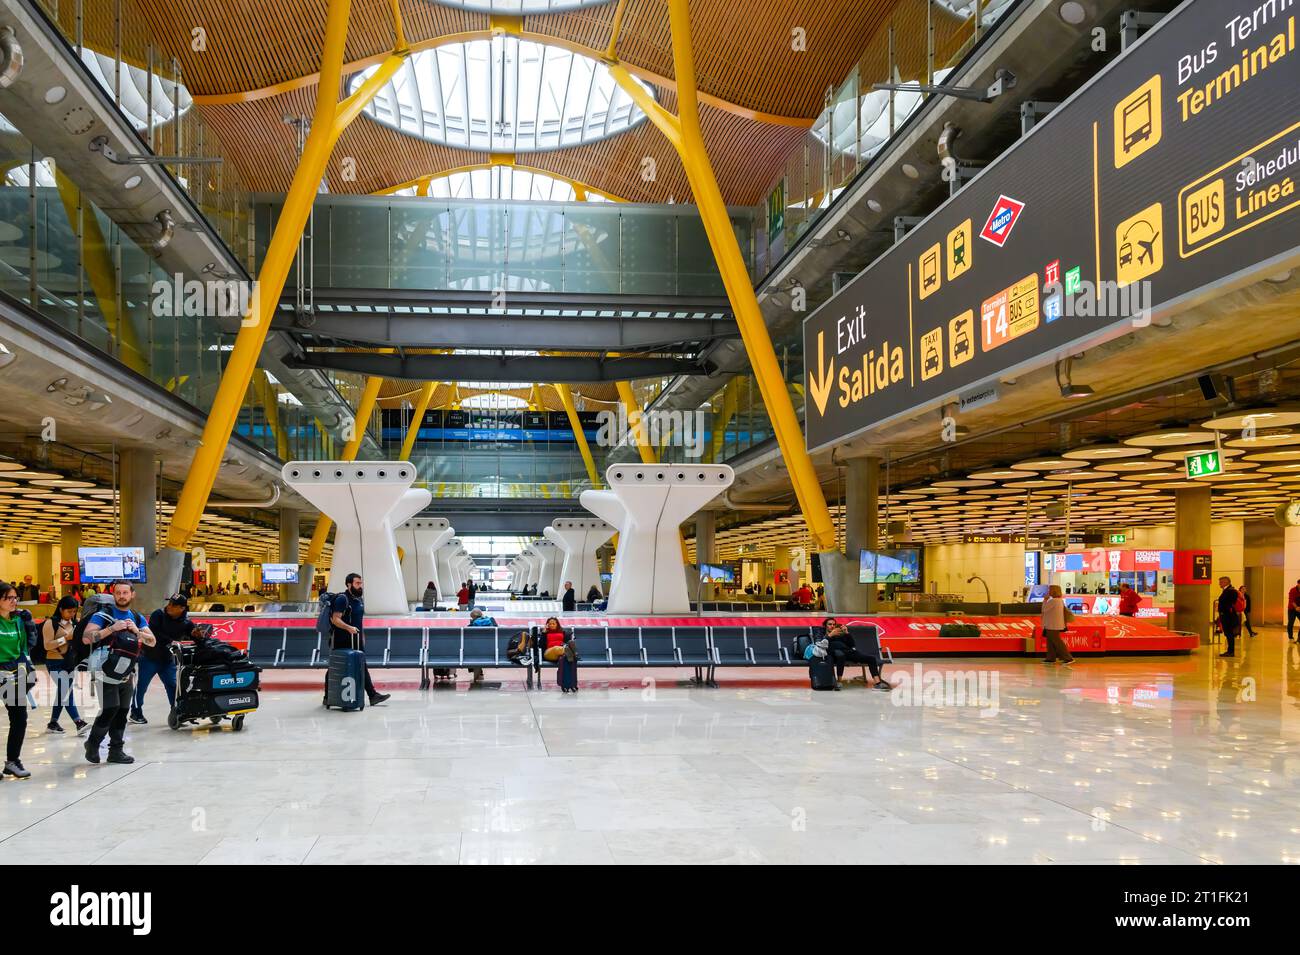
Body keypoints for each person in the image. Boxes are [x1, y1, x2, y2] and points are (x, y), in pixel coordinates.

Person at [82, 580, 155, 764]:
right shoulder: (103, 614)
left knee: (122, 711)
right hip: (104, 671)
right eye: (118, 593)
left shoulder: (136, 617)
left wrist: (137, 631)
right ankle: (93, 744)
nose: (121, 596)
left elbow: (152, 641)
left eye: (125, 593)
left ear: (132, 594)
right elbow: (86, 638)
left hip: (126, 671)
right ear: (113, 595)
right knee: (110, 708)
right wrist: (111, 629)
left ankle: (116, 751)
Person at [132, 594, 197, 724]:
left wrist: (200, 635)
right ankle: (135, 712)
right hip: (149, 658)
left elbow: (194, 634)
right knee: (142, 686)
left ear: (182, 608)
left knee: (173, 686)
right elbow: (154, 634)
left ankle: (177, 712)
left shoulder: (186, 623)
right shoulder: (158, 614)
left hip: (167, 660)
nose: (169, 606)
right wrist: (171, 641)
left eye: (173, 604)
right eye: (170, 602)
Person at [330, 573, 389, 706]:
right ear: (349, 584)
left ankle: (372, 695)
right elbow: (335, 619)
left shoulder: (358, 600)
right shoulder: (342, 599)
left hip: (356, 640)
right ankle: (372, 695)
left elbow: (359, 621)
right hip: (343, 640)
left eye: (360, 583)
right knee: (338, 667)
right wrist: (348, 628)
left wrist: (362, 635)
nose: (360, 586)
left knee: (358, 665)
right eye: (357, 583)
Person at [0, 582, 34, 777]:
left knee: (19, 718)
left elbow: (24, 647)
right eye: (9, 598)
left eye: (15, 598)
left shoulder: (19, 620)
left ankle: (12, 761)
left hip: (14, 672)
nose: (14, 601)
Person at [42, 596, 88, 735]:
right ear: (61, 609)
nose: (72, 614)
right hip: (54, 662)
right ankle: (78, 722)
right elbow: (47, 645)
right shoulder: (50, 623)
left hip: (69, 662)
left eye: (74, 611)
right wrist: (66, 638)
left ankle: (53, 723)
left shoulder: (74, 622)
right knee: (67, 692)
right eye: (69, 611)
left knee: (63, 693)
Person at [823, 617, 891, 689]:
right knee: (840, 655)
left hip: (849, 653)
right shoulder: (823, 634)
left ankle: (878, 683)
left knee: (871, 659)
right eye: (830, 624)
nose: (832, 626)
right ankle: (839, 681)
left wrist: (846, 633)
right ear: (825, 625)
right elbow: (822, 644)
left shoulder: (840, 634)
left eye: (834, 624)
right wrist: (830, 635)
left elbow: (852, 645)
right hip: (836, 654)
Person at [1040, 584, 1076, 666]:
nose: (1048, 592)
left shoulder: (1053, 601)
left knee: (1057, 642)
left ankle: (1068, 658)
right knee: (1051, 642)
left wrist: (1045, 600)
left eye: (1050, 590)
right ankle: (1050, 658)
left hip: (1052, 625)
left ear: (1053, 591)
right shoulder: (1059, 600)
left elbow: (1044, 609)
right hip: (1054, 624)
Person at [1216, 576, 1240, 659]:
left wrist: (1222, 609)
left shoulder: (1230, 591)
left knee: (1229, 634)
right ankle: (1229, 651)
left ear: (1226, 582)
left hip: (1228, 616)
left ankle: (1231, 652)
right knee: (1228, 634)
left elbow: (1229, 603)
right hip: (1226, 615)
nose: (1219, 584)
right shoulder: (1227, 590)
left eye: (1220, 582)